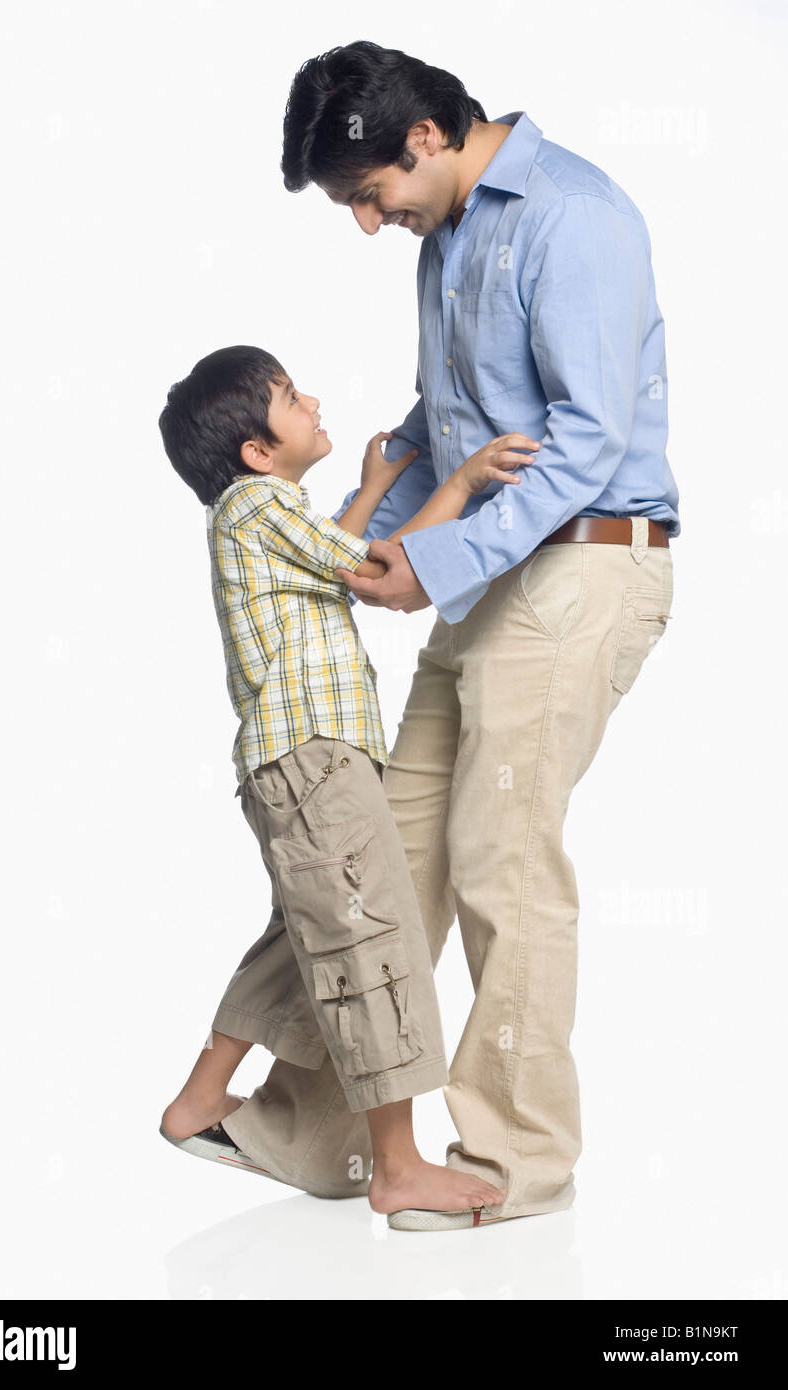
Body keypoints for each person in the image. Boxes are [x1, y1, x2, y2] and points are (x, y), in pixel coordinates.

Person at [220, 42, 681, 1224]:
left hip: (579, 568)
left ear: (421, 137)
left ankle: (513, 1157)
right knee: (386, 854)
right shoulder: (454, 237)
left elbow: (583, 440)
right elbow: (449, 417)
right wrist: (353, 532)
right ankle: (316, 1132)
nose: (370, 225)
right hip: (488, 579)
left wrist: (433, 559)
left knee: (494, 855)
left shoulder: (575, 217)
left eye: (368, 196)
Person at [156, 342, 540, 1227]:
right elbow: (372, 571)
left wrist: (371, 486)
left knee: (306, 932)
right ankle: (397, 1167)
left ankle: (200, 1099)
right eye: (292, 398)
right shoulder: (255, 504)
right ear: (257, 450)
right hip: (314, 758)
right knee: (375, 941)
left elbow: (336, 547)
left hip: (302, 762)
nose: (313, 400)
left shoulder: (258, 511)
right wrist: (465, 483)